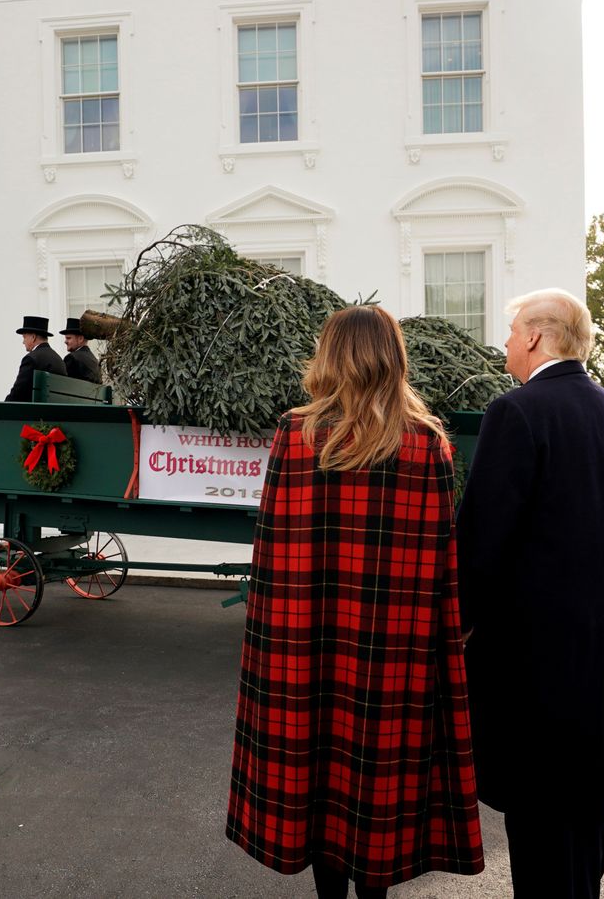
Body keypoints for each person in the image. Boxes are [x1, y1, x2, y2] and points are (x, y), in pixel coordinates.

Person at [228, 305, 484, 898]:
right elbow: (442, 563)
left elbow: (270, 549)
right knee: (375, 782)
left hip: (305, 643)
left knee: (314, 778)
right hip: (392, 653)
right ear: (394, 358)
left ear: (330, 357)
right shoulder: (427, 444)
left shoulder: (295, 435)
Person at [455, 288, 604, 897]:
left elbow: (483, 538)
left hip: (535, 658)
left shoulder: (516, 411)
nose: (506, 343)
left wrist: (459, 621)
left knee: (539, 823)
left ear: (536, 336)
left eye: (513, 332)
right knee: (585, 814)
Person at [3, 315, 67, 401]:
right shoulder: (59, 359)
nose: (23, 342)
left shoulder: (31, 359)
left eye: (24, 337)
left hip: (37, 408)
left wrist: (3, 406)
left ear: (33, 337)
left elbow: (18, 392)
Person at [59, 318, 102, 384]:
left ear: (80, 339)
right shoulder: (94, 360)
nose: (65, 341)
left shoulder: (72, 358)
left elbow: (62, 383)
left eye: (68, 338)